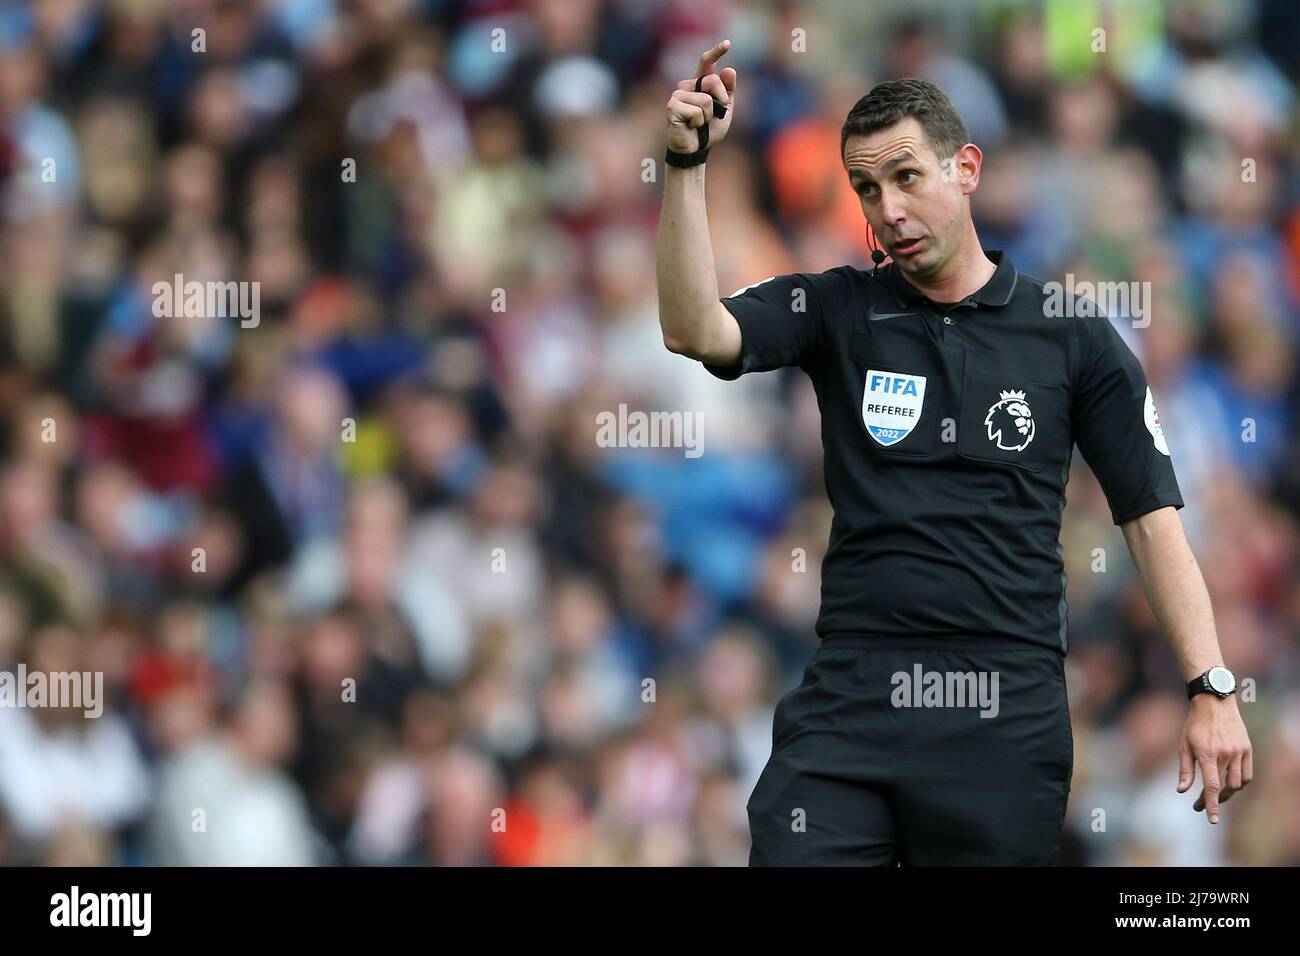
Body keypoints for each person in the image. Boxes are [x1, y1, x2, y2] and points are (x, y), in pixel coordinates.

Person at [655, 40, 1253, 865]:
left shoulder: (1072, 337)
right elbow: (694, 329)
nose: (887, 209)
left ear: (965, 169)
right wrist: (685, 168)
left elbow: (1152, 521)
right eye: (866, 188)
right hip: (851, 704)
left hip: (1000, 716)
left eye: (906, 178)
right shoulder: (836, 308)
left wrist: (1210, 686)